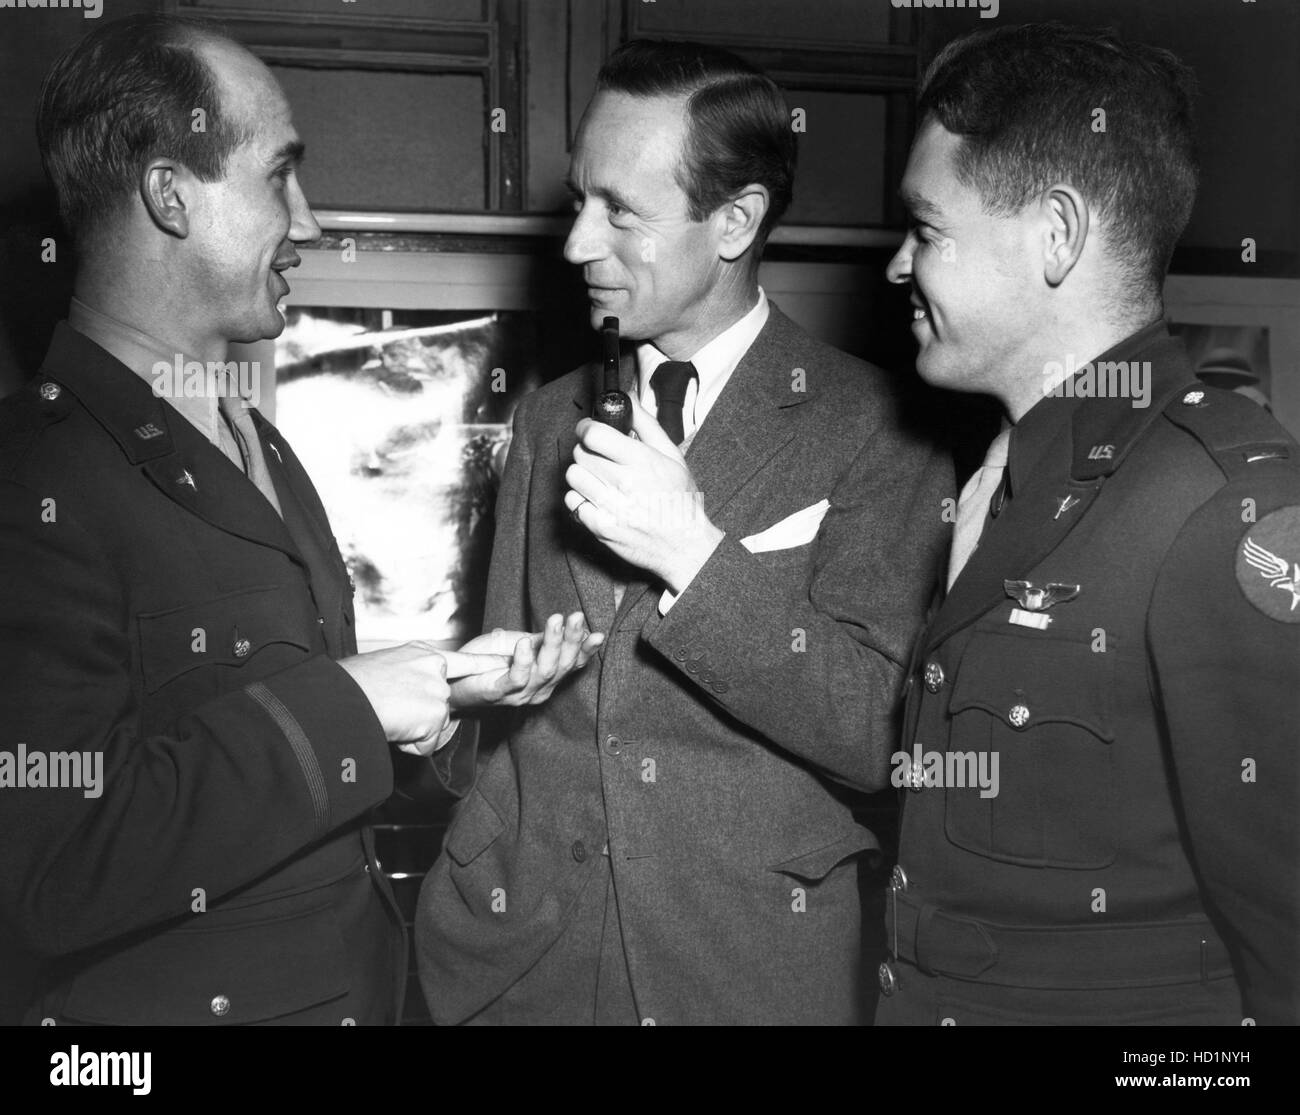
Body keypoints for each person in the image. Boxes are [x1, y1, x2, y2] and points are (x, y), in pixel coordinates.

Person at [0, 13, 598, 1026]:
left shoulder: (253, 443)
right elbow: (51, 867)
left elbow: (284, 765)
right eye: (279, 174)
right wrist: (356, 704)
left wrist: (445, 694)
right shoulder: (34, 472)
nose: (311, 222)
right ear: (169, 196)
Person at [416, 38, 952, 1026]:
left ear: (735, 220)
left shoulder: (881, 431)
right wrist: (456, 705)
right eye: (581, 200)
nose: (578, 243)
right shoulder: (546, 418)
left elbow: (881, 733)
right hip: (516, 966)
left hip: (742, 971)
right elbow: (501, 713)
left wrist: (693, 559)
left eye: (620, 210)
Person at [877, 22, 1299, 1026]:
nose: (897, 266)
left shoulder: (1225, 507)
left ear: (1056, 235)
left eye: (926, 230)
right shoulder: (1008, 480)